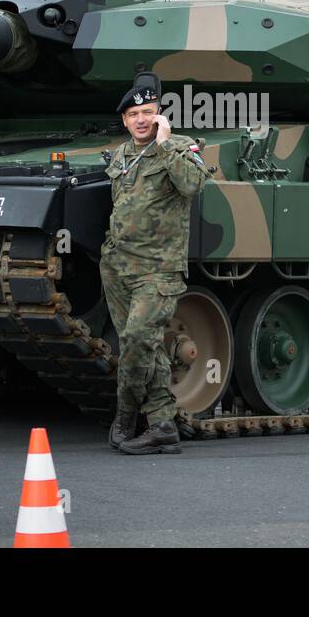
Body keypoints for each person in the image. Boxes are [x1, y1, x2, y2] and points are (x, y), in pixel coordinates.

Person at [101, 78, 212, 454]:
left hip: (158, 268)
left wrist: (165, 147)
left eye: (148, 112)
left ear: (160, 116)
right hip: (117, 266)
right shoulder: (120, 155)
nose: (141, 120)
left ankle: (127, 414)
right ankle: (163, 424)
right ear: (125, 121)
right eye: (133, 115)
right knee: (144, 345)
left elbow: (194, 185)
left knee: (135, 339)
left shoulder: (180, 148)